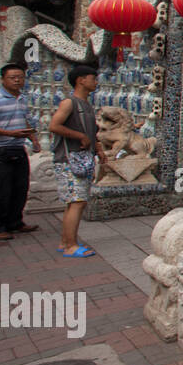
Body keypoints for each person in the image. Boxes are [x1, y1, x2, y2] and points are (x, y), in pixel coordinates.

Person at [48, 65, 107, 258]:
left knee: (74, 202)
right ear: (81, 80)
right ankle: (71, 246)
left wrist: (98, 150)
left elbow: (92, 133)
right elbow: (54, 126)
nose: (95, 82)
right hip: (69, 159)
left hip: (82, 158)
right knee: (77, 202)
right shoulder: (69, 103)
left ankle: (65, 241)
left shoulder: (86, 104)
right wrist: (80, 136)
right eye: (93, 78)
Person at [0, 62, 40, 240]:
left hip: (17, 147)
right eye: (12, 78)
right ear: (3, 79)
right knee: (0, 191)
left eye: (20, 77)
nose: (17, 81)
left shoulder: (22, 98)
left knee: (20, 188)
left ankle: (15, 222)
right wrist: (9, 133)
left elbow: (25, 121)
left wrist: (33, 138)